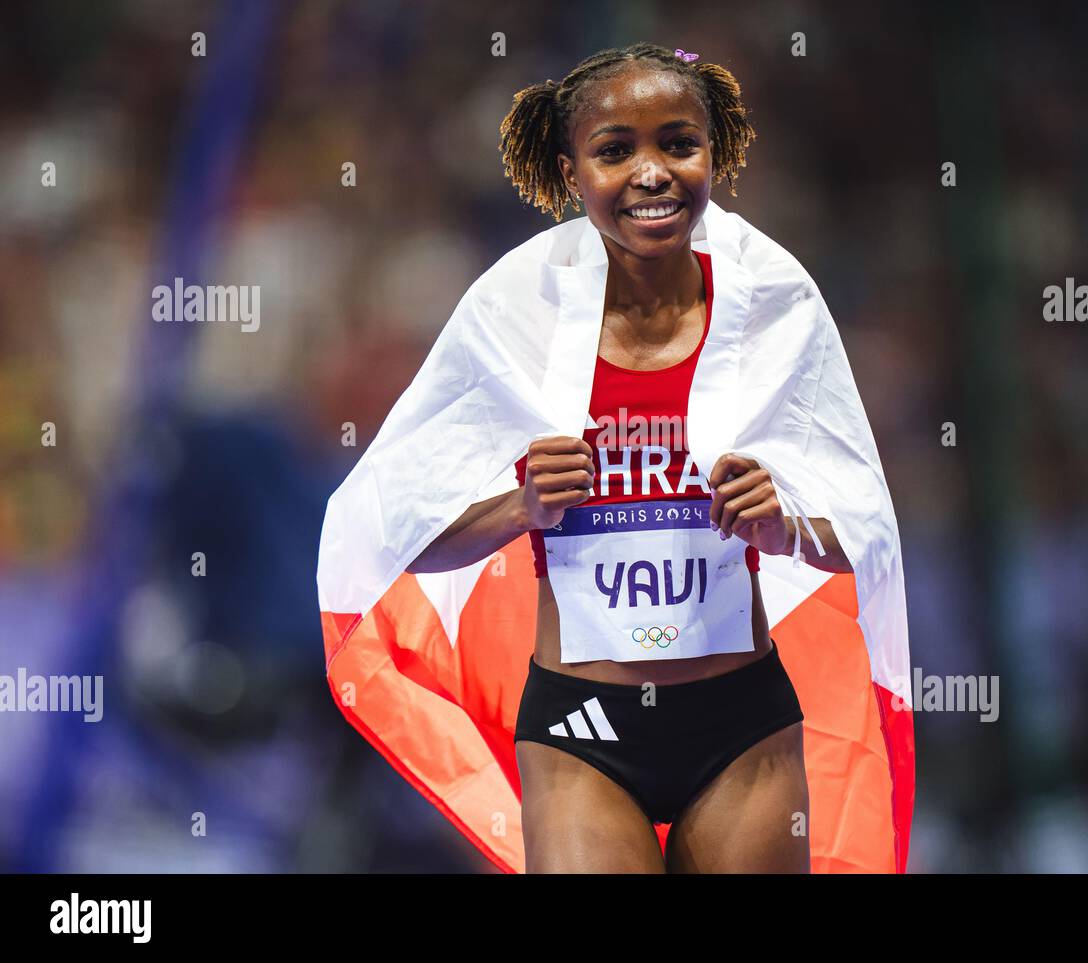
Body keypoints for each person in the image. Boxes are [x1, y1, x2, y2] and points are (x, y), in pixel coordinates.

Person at [317, 42, 913, 877]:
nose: (652, 173)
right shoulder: (510, 315)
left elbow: (865, 537)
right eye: (614, 150)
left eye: (679, 143)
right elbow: (403, 538)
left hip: (741, 725)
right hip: (580, 729)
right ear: (570, 172)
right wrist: (520, 509)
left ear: (718, 152)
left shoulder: (777, 309)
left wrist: (784, 528)